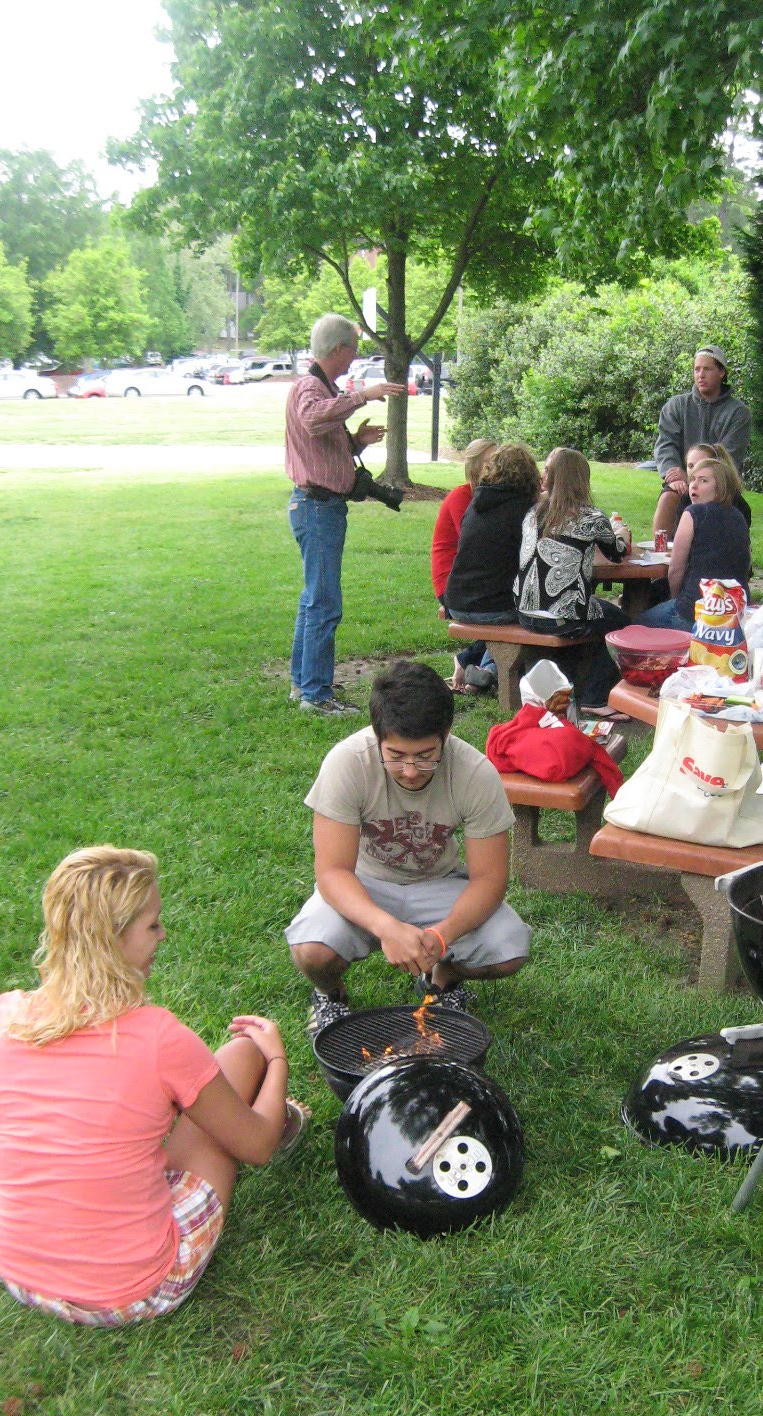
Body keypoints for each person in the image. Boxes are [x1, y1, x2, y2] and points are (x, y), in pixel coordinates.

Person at [0, 847, 310, 1326]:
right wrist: (277, 1055)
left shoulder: (5, 1015)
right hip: (134, 1290)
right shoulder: (158, 1037)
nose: (163, 934)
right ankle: (275, 1107)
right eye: (153, 925)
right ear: (113, 938)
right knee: (244, 1054)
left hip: (18, 1274)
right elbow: (258, 1148)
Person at [286, 662, 532, 1035]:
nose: (412, 770)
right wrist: (385, 927)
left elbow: (491, 879)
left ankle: (443, 977)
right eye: (396, 756)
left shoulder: (476, 773)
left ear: (446, 735)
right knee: (312, 948)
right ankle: (330, 996)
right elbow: (333, 872)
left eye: (425, 754)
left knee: (508, 947)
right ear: (377, 735)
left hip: (440, 883)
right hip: (367, 883)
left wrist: (441, 935)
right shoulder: (347, 762)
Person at [284, 314, 406, 715]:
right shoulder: (309, 388)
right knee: (324, 604)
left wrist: (356, 442)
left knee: (313, 601)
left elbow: (321, 445)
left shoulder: (322, 388)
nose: (355, 357)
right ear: (338, 350)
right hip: (317, 508)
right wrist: (361, 396)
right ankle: (316, 696)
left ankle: (303, 685)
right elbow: (312, 418)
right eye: (354, 349)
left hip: (320, 506)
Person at [514, 447, 631, 711]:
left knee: (595, 612)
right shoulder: (590, 516)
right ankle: (596, 695)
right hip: (562, 617)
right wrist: (621, 534)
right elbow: (617, 553)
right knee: (622, 622)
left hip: (526, 612)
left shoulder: (533, 514)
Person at [637, 455, 752, 628]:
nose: (694, 485)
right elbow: (747, 561)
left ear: (720, 488)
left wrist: (677, 599)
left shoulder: (693, 513)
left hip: (696, 613)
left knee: (638, 624)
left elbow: (675, 569)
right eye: (692, 480)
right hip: (734, 611)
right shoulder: (738, 516)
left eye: (703, 480)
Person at [652, 344, 752, 540]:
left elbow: (728, 456)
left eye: (707, 369)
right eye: (697, 369)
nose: (701, 375)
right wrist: (674, 476)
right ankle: (661, 556)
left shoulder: (738, 413)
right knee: (667, 498)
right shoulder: (676, 406)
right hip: (681, 481)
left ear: (722, 372)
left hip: (721, 485)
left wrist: (695, 477)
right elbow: (665, 444)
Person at [442, 444, 542, 626]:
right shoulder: (523, 510)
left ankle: (474, 656)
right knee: (542, 620)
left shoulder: (476, 503)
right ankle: (485, 656)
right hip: (495, 607)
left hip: (456, 602)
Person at [431, 437, 498, 693]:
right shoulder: (462, 497)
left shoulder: (490, 496)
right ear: (475, 467)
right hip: (453, 582)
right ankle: (473, 661)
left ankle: (482, 668)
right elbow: (477, 544)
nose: (495, 466)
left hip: (476, 578)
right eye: (489, 462)